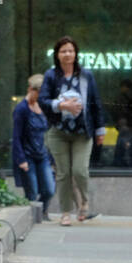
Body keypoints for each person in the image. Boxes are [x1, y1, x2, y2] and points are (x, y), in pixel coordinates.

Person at [39, 36, 105, 226]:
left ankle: (84, 201)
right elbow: (43, 101)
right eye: (63, 51)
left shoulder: (86, 75)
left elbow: (96, 103)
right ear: (57, 55)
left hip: (83, 133)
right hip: (58, 132)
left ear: (75, 53)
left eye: (70, 50)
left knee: (80, 171)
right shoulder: (51, 75)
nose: (67, 54)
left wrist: (100, 130)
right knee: (63, 173)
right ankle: (66, 212)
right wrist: (62, 105)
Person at [12, 74, 55, 218]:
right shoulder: (21, 109)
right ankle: (32, 217)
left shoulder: (42, 107)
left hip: (42, 155)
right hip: (27, 156)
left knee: (49, 189)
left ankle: (41, 212)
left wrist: (52, 158)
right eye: (39, 93)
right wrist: (21, 159)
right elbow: (16, 136)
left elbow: (47, 134)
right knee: (32, 191)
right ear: (31, 89)